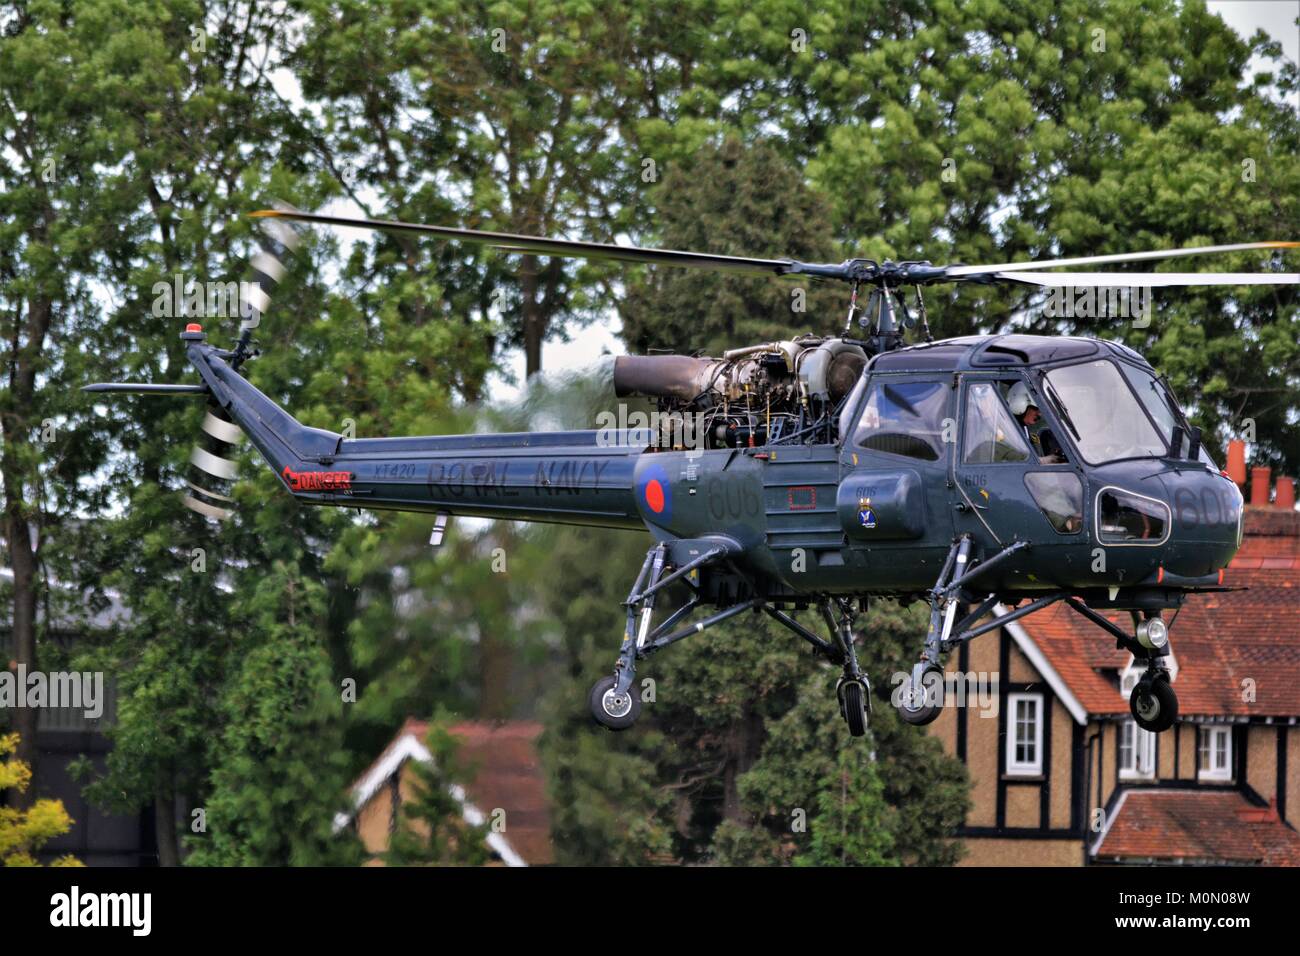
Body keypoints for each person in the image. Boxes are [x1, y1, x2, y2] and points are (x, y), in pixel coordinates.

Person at [1007, 381, 1065, 464]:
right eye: (1037, 409)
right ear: (1020, 403)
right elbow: (1012, 461)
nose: (1039, 414)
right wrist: (1044, 461)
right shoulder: (1006, 428)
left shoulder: (1023, 428)